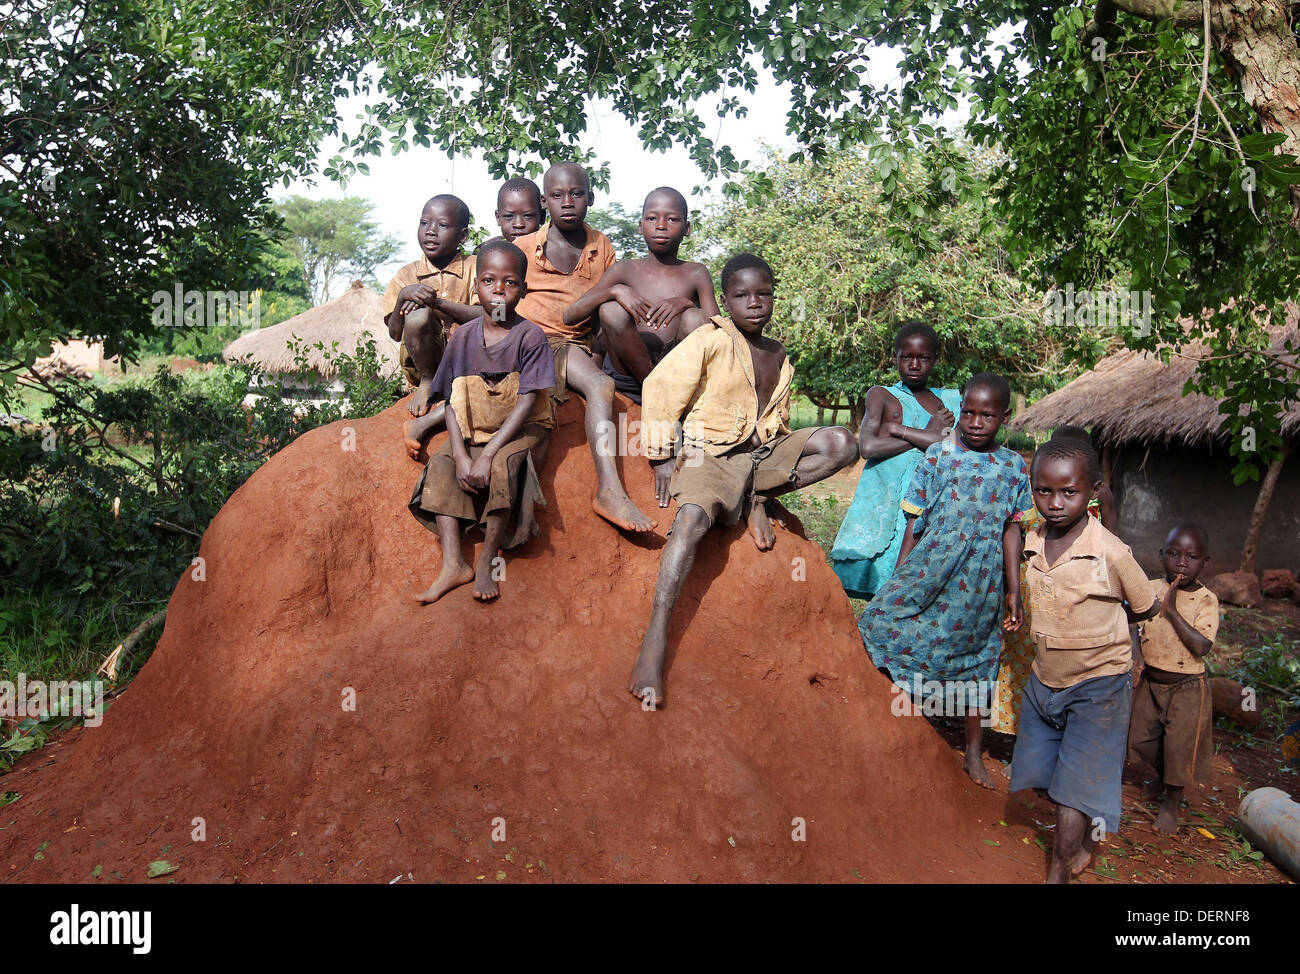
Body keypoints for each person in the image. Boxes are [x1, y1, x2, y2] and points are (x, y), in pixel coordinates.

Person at [630, 254, 858, 706]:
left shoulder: (779, 354)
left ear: (774, 296)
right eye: (741, 295)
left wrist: (767, 460)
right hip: (709, 455)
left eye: (763, 294)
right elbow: (660, 387)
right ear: (726, 300)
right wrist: (660, 455)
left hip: (761, 456)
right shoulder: (710, 339)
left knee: (843, 444)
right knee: (692, 520)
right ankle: (654, 640)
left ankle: (758, 494)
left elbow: (779, 419)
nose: (754, 303)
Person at [858, 372, 1033, 788]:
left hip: (980, 583)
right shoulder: (938, 455)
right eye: (968, 413)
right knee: (880, 623)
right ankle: (895, 729)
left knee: (977, 657)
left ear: (1004, 417)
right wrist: (900, 576)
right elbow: (913, 522)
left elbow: (1013, 529)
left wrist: (1013, 589)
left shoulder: (1013, 466)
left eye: (986, 415)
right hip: (931, 569)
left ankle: (973, 753)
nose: (975, 422)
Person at [1009, 436, 1158, 883]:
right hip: (1044, 678)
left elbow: (1146, 607)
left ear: (1093, 491)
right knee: (1038, 776)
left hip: (1100, 684)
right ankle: (1086, 831)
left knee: (1075, 787)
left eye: (1068, 492)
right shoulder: (1033, 538)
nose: (1055, 503)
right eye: (1044, 491)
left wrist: (1116, 639)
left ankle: (1061, 868)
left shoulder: (1111, 551)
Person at [407, 239, 555, 604]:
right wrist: (459, 454)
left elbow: (528, 401)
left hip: (521, 430)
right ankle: (454, 564)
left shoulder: (531, 337)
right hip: (476, 426)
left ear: (523, 289)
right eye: (489, 280)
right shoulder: (463, 338)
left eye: (510, 282)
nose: (499, 290)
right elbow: (453, 403)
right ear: (476, 287)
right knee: (441, 466)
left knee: (504, 467)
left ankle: (488, 559)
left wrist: (488, 454)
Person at [512, 162, 655, 533]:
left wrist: (598, 350)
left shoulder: (600, 245)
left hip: (576, 344)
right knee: (600, 386)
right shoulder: (524, 247)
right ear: (545, 202)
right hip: (535, 341)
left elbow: (601, 316)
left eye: (577, 194)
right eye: (557, 196)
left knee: (607, 337)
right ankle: (609, 490)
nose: (568, 202)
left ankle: (657, 400)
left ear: (590, 198)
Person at [991, 425, 1118, 736]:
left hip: (1080, 598)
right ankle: (1019, 732)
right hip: (1035, 594)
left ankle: (1064, 734)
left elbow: (1113, 542)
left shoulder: (1100, 499)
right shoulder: (1037, 498)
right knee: (1023, 661)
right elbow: (1012, 529)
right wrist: (1013, 589)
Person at [830, 321, 961, 599]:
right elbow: (868, 446)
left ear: (935, 359)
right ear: (895, 358)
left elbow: (950, 446)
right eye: (906, 357)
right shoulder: (882, 394)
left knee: (921, 579)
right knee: (883, 569)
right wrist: (925, 435)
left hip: (930, 497)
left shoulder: (949, 401)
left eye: (924, 358)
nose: (914, 364)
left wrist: (902, 430)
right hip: (888, 498)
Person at [560, 186, 719, 403]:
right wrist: (614, 291)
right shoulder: (624, 270)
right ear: (640, 226)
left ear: (687, 228)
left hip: (677, 374)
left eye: (672, 220)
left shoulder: (696, 272)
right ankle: (657, 393)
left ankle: (663, 393)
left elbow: (718, 331)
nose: (661, 226)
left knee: (696, 318)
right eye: (652, 218)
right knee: (611, 310)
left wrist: (685, 304)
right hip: (628, 374)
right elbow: (570, 315)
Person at [1128, 523, 1218, 834]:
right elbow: (1134, 619)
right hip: (1152, 682)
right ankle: (1162, 774)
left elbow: (1202, 646)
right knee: (1138, 738)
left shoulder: (1207, 601)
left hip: (1187, 688)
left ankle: (1171, 804)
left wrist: (1171, 611)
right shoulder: (1150, 588)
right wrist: (1136, 652)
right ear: (1161, 554)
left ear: (1205, 562)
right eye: (1174, 554)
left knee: (1180, 748)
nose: (1182, 563)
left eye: (1192, 557)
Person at [384, 195, 479, 421]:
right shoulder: (406, 275)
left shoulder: (476, 267)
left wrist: (437, 304)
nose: (431, 231)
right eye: (424, 223)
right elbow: (395, 334)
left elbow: (489, 315)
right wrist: (401, 300)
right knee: (417, 314)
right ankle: (428, 381)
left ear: (463, 235)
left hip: (467, 360)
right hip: (426, 364)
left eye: (442, 225)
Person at [494, 177, 544, 243]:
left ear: (542, 217)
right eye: (509, 216)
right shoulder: (489, 251)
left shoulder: (553, 251)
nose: (518, 224)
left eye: (528, 216)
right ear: (498, 218)